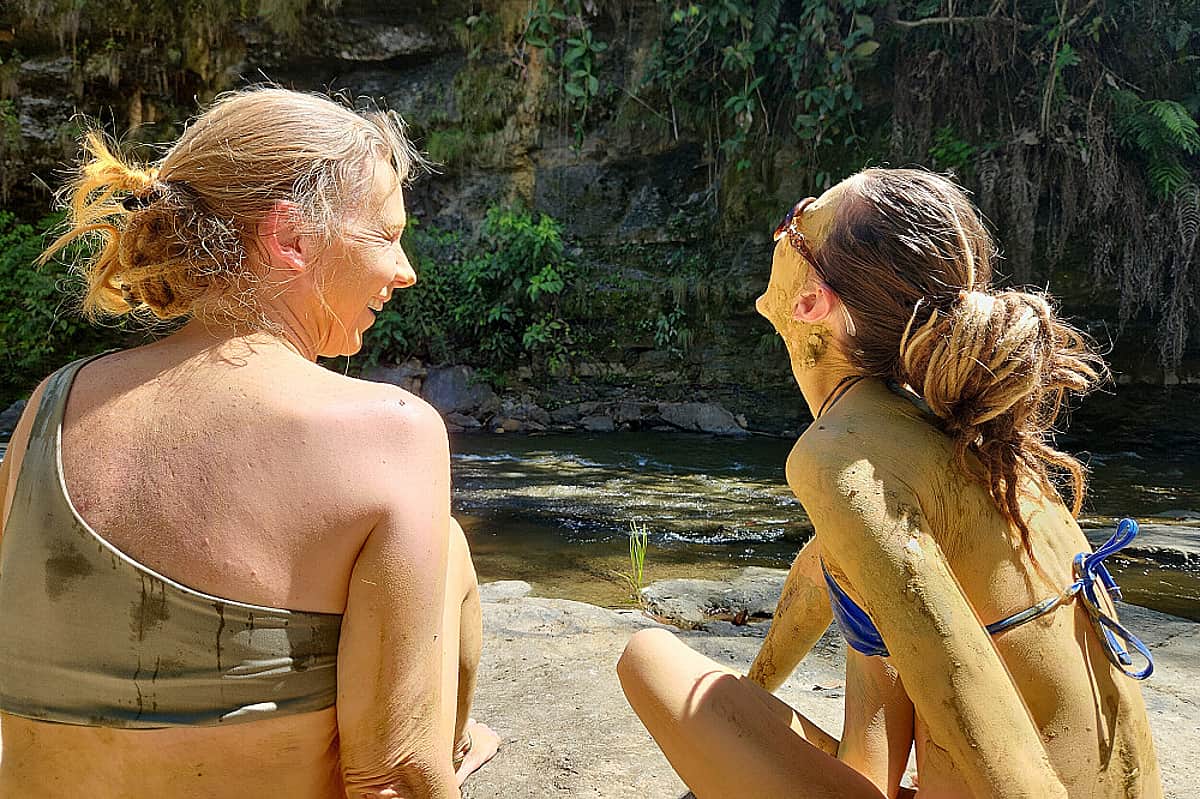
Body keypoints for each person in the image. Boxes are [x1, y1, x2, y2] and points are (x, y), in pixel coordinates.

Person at [0, 87, 498, 798]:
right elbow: (390, 780)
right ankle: (450, 741)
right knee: (442, 544)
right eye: (385, 236)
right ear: (290, 237)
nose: (405, 268)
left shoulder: (48, 409)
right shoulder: (393, 434)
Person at [617, 168, 1162, 798]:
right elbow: (829, 572)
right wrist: (753, 694)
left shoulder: (843, 454)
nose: (783, 226)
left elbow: (982, 717)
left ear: (810, 302)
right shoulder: (943, 421)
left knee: (651, 660)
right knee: (769, 689)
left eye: (799, 217)